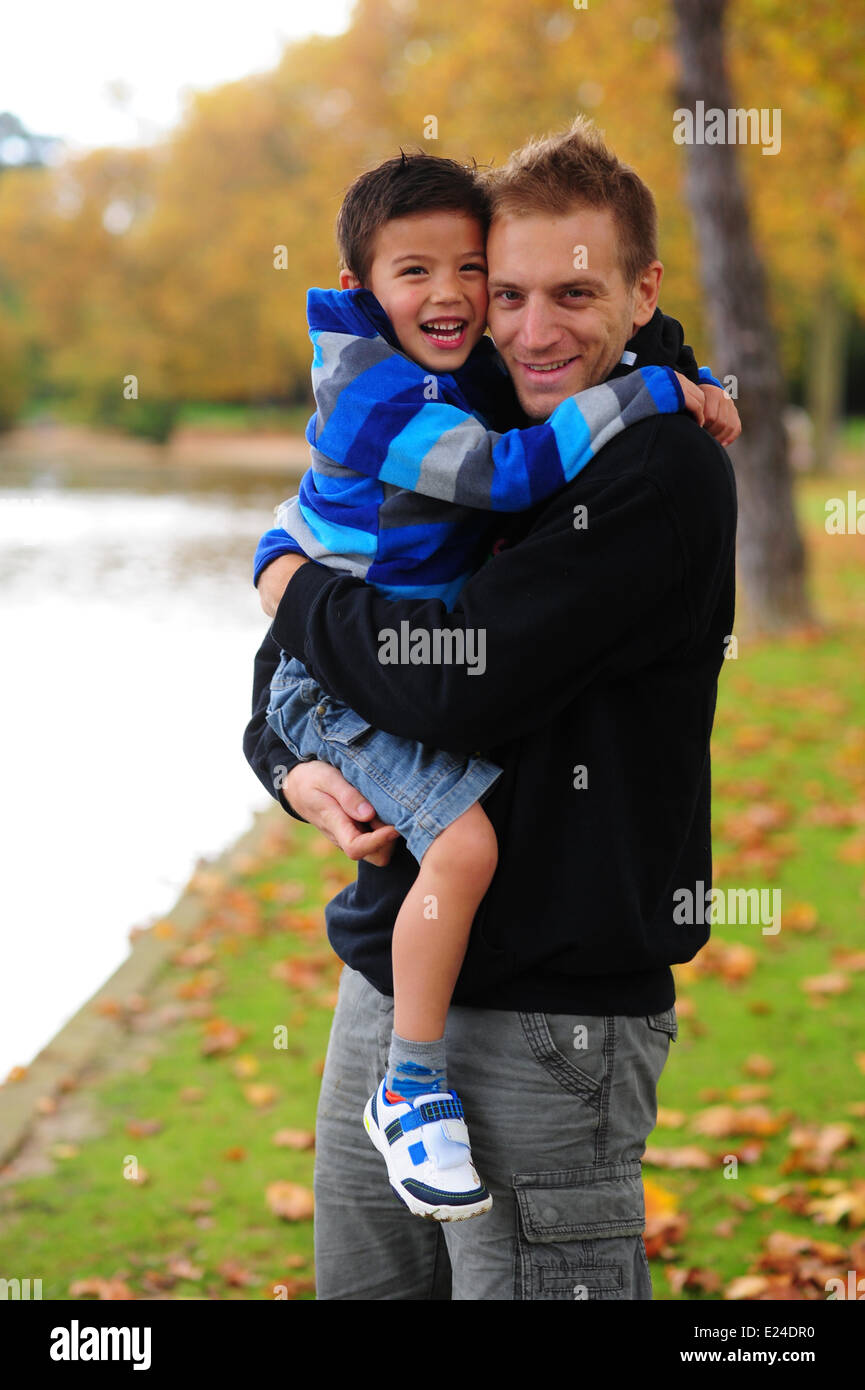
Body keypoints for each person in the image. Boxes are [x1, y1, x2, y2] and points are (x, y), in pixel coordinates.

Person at [245, 117, 739, 1299]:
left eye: (574, 293)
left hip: (546, 1022)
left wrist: (287, 580)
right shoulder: (468, 400)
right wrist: (286, 765)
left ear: (641, 290)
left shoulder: (657, 468)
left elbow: (444, 679)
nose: (530, 328)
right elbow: (316, 642)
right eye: (503, 291)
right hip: (388, 987)